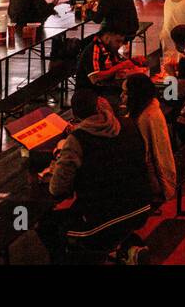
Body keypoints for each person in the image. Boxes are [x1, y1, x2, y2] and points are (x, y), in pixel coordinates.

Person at [39, 89, 154, 264]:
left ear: (76, 116)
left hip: (99, 219)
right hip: (142, 206)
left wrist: (58, 157)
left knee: (47, 224)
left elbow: (58, 189)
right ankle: (125, 249)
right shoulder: (129, 124)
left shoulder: (77, 140)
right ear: (100, 106)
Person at [123, 73, 176, 205]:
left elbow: (143, 156)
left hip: (152, 181)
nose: (121, 96)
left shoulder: (146, 117)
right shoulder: (150, 108)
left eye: (125, 93)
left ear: (135, 95)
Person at [76, 28, 143, 97]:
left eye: (121, 42)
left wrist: (133, 61)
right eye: (117, 41)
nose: (120, 45)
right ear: (107, 36)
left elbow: (115, 67)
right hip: (89, 95)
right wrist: (122, 65)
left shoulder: (110, 48)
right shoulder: (94, 49)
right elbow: (95, 78)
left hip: (104, 89)